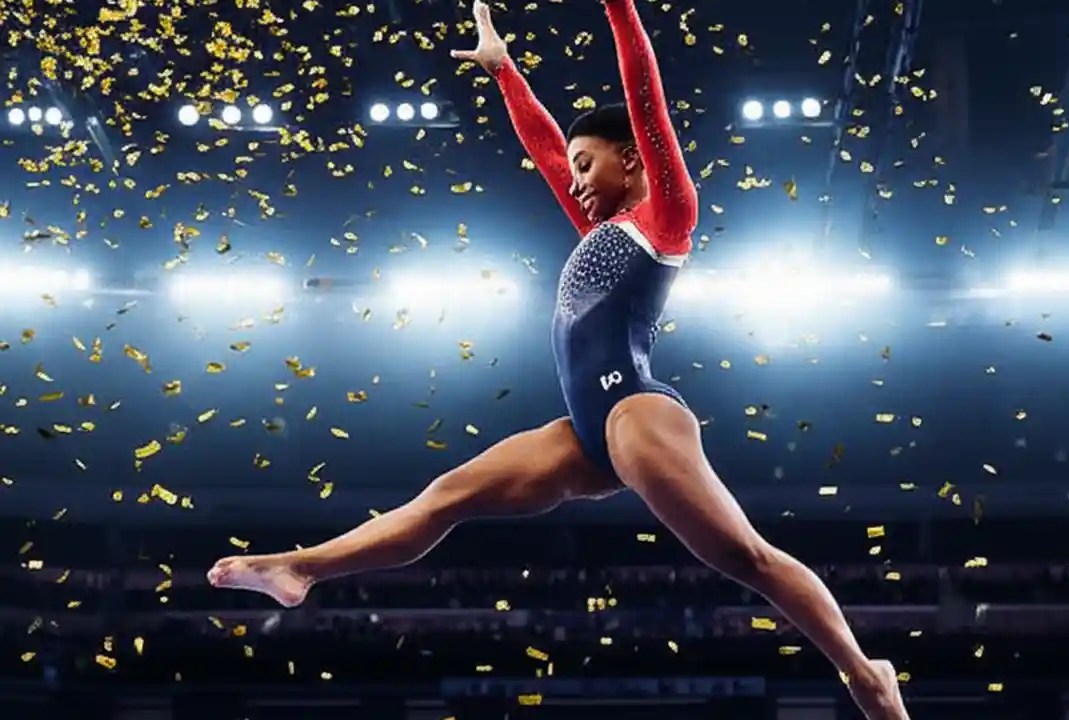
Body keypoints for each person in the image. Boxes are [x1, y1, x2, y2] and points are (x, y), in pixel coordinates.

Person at [207, 1, 908, 717]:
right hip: (584, 431)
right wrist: (505, 70)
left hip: (637, 411)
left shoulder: (666, 214)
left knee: (743, 558)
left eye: (587, 164)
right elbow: (545, 148)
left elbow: (644, 91)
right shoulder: (596, 224)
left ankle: (863, 670)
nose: (571, 179)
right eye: (572, 169)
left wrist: (618, 7)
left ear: (633, 159)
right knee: (445, 498)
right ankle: (300, 567)